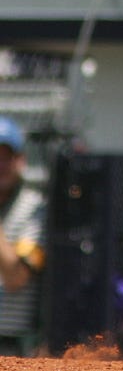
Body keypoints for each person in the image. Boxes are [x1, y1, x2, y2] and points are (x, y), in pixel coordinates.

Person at [0, 116, 46, 357]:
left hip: (12, 342)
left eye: (6, 157)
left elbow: (16, 277)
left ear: (20, 161)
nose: (0, 165)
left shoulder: (34, 207)